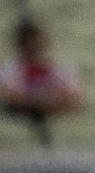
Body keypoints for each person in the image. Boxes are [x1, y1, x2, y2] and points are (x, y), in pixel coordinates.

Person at [1, 19, 83, 147]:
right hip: (19, 125)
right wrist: (47, 101)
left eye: (37, 42)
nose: (35, 47)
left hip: (58, 125)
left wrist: (36, 101)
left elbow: (73, 101)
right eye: (30, 43)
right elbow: (13, 98)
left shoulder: (59, 69)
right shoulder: (10, 69)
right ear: (21, 45)